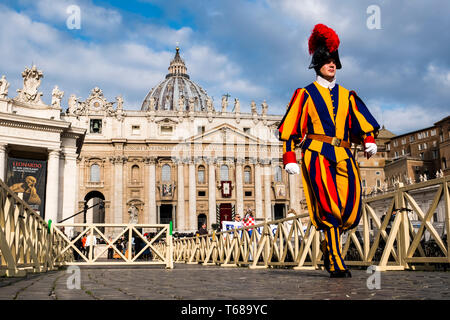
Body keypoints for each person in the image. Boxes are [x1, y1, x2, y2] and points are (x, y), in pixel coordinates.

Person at [278, 24, 380, 278]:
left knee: (349, 207)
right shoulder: (304, 94)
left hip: (344, 154)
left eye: (334, 61)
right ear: (317, 65)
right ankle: (335, 259)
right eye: (327, 61)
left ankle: (328, 246)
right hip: (317, 153)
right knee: (328, 205)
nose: (332, 65)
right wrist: (289, 155)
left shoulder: (348, 95)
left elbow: (361, 121)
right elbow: (291, 127)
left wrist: (369, 138)